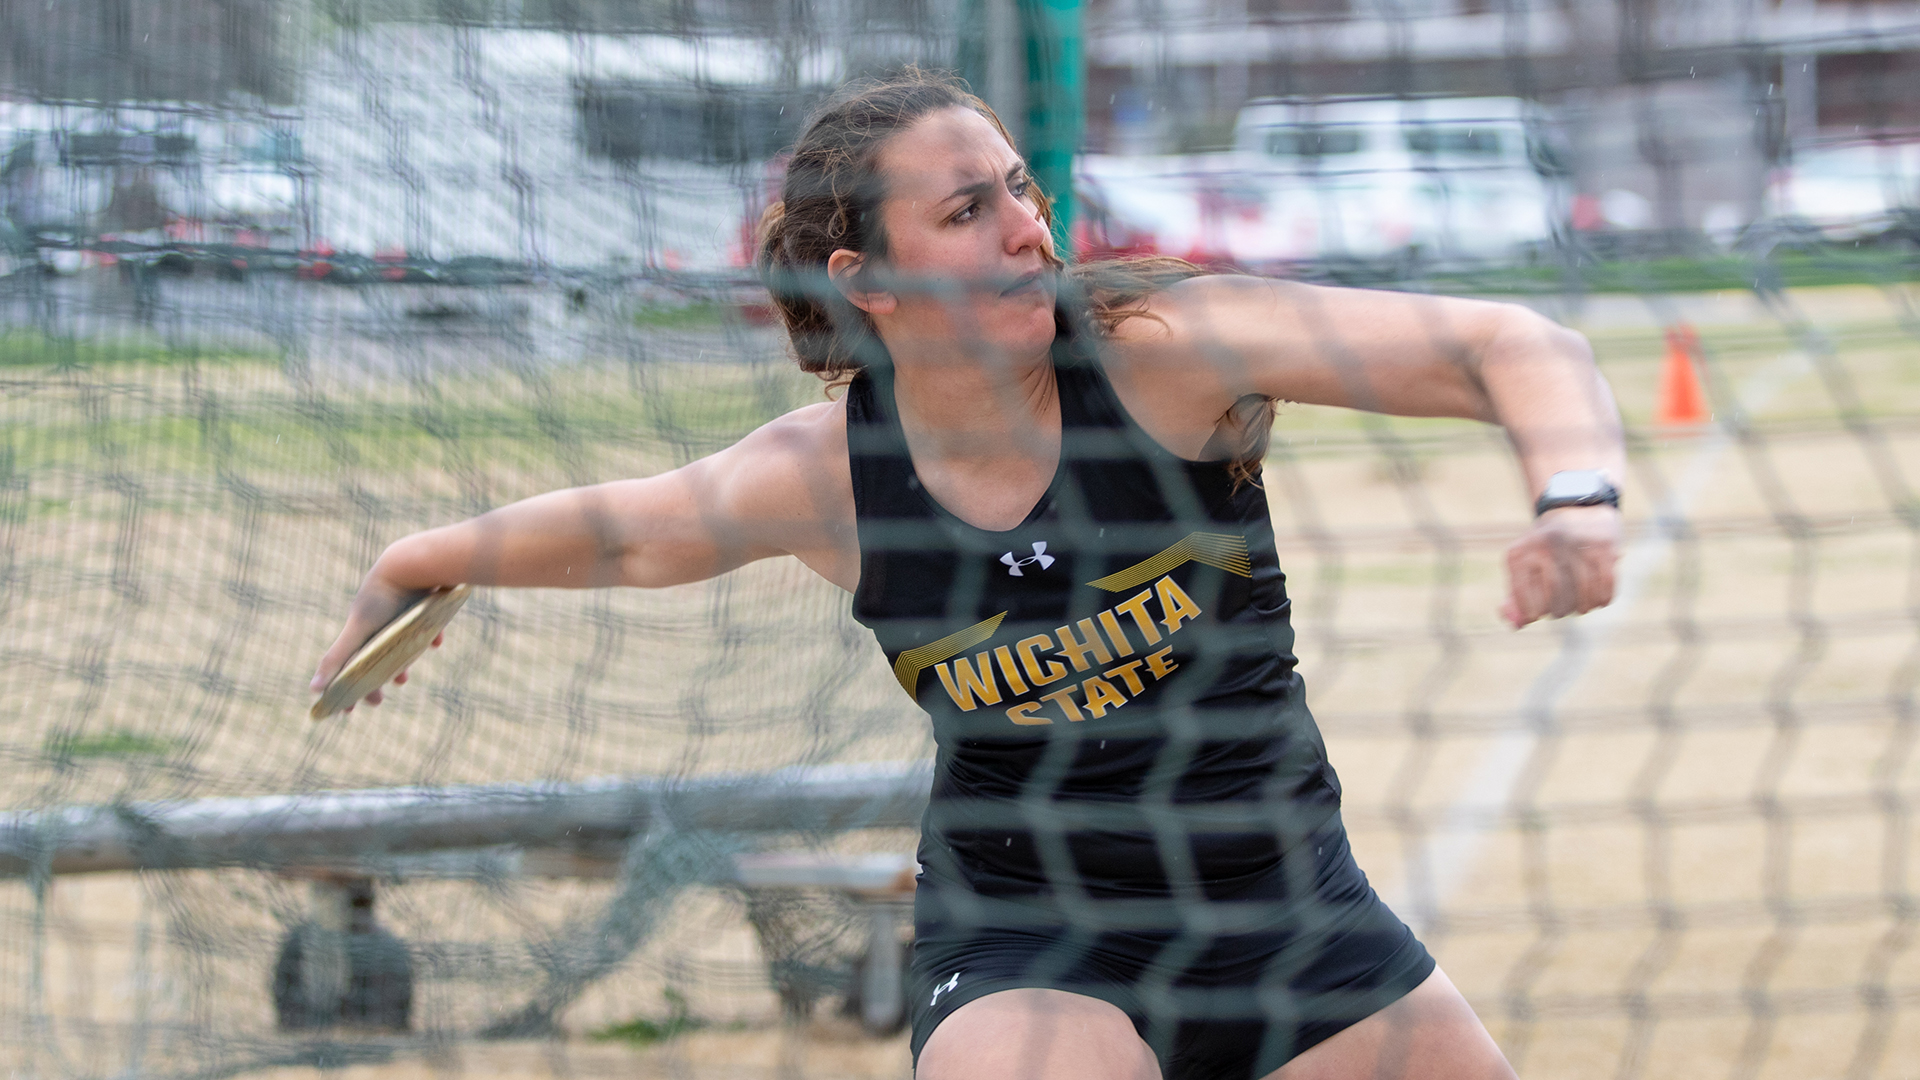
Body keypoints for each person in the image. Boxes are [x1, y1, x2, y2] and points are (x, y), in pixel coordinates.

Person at [312, 70, 1622, 1080]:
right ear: (865, 278)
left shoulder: (1166, 353)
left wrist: (1574, 500)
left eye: (1020, 188)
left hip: (1288, 918)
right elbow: (635, 533)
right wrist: (421, 559)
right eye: (968, 208)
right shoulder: (825, 475)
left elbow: (1511, 344)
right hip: (1035, 941)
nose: (1025, 227)